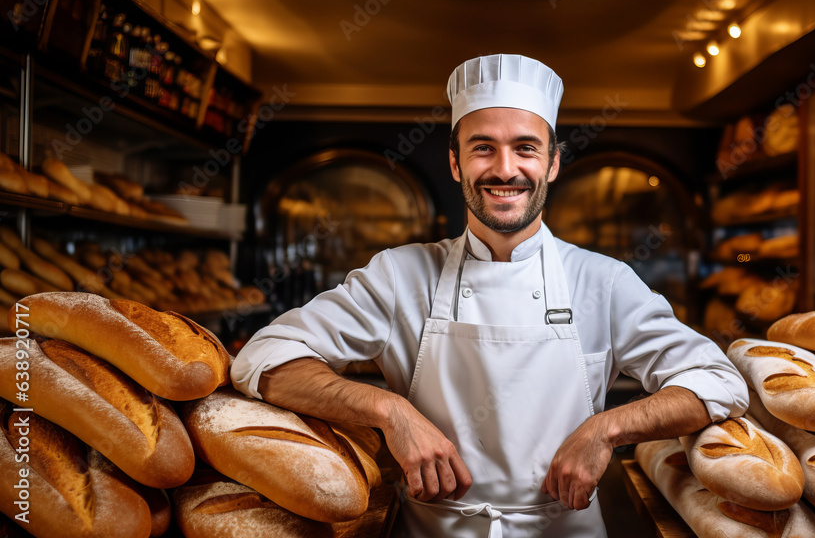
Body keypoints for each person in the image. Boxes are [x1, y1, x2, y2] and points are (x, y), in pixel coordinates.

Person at [232, 53, 749, 537]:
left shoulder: (603, 281)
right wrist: (389, 411)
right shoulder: (399, 275)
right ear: (456, 163)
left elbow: (719, 381)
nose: (505, 169)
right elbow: (263, 358)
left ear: (552, 164)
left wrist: (607, 429)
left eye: (525, 147)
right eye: (483, 147)